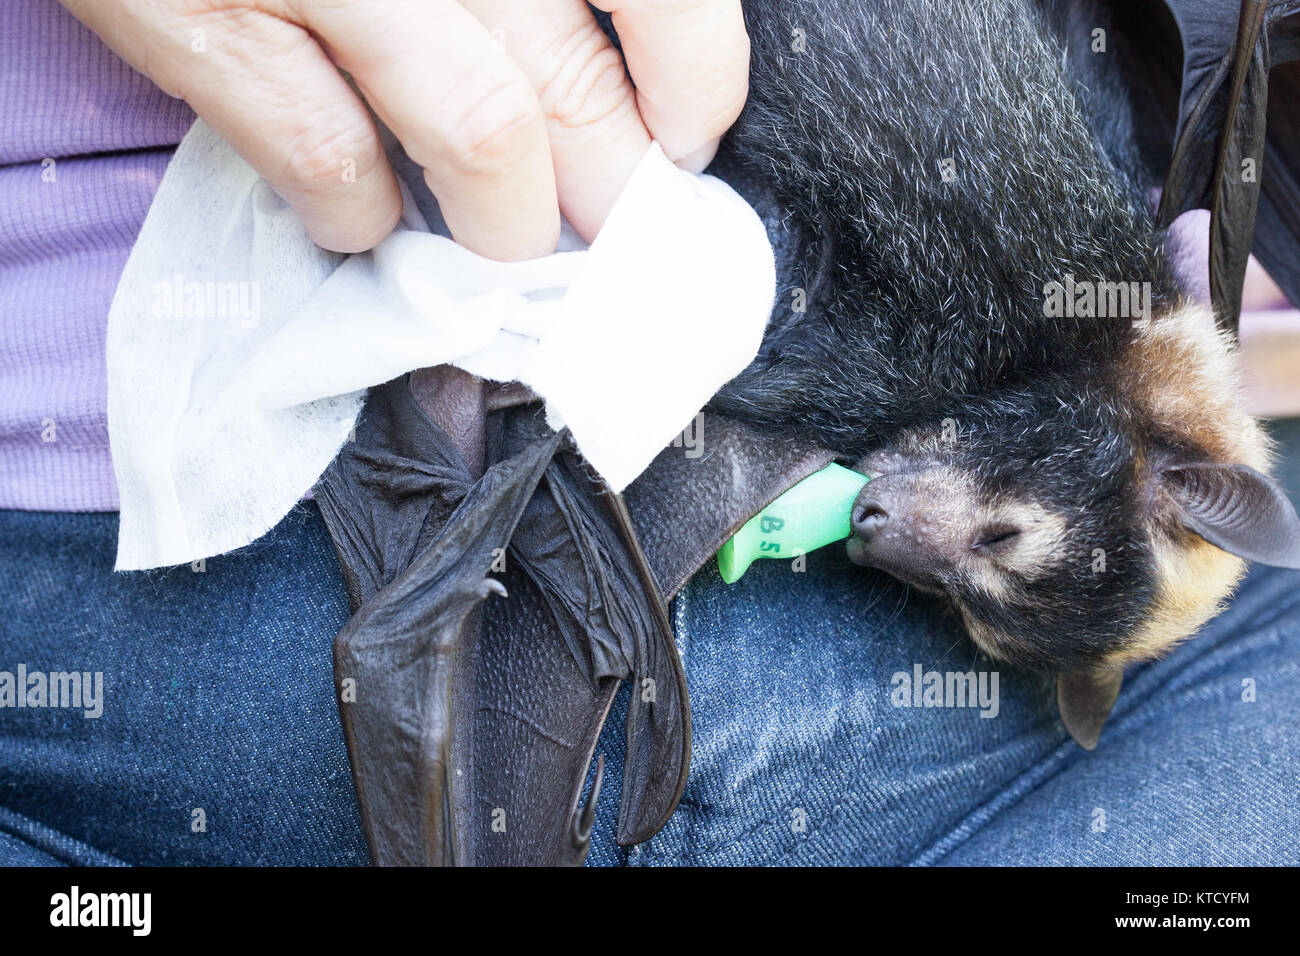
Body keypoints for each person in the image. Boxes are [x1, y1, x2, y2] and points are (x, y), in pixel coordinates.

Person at [2, 0, 1297, 866]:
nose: (901, 537)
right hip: (275, 548)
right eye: (991, 540)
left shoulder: (1058, 345)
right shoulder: (997, 335)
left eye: (961, 590)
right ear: (1174, 475)